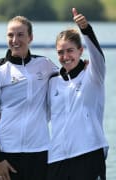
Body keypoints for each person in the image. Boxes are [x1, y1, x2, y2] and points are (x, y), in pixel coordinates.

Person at [0, 16, 58, 180]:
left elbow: (68, 79)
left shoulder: (45, 65)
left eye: (20, 35)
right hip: (5, 153)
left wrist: (83, 67)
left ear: (30, 37)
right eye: (10, 35)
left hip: (39, 151)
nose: (15, 40)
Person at [47, 8, 109, 180]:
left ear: (81, 50)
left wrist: (86, 29)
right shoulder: (53, 82)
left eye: (70, 51)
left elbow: (98, 56)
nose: (65, 56)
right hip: (57, 157)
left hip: (89, 153)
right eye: (60, 52)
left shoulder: (93, 75)